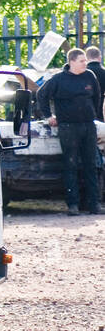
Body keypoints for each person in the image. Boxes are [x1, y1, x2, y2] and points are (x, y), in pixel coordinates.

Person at [36, 48, 102, 215]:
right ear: (72, 61)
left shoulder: (90, 76)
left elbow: (97, 98)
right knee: (70, 164)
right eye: (82, 61)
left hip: (88, 125)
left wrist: (93, 115)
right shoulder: (58, 79)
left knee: (91, 165)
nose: (85, 64)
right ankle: (73, 205)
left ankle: (93, 204)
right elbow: (41, 95)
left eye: (85, 60)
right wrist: (48, 116)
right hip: (68, 127)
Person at [86, 47, 105, 121]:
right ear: (99, 57)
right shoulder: (103, 72)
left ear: (86, 58)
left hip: (84, 111)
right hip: (100, 111)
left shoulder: (81, 72)